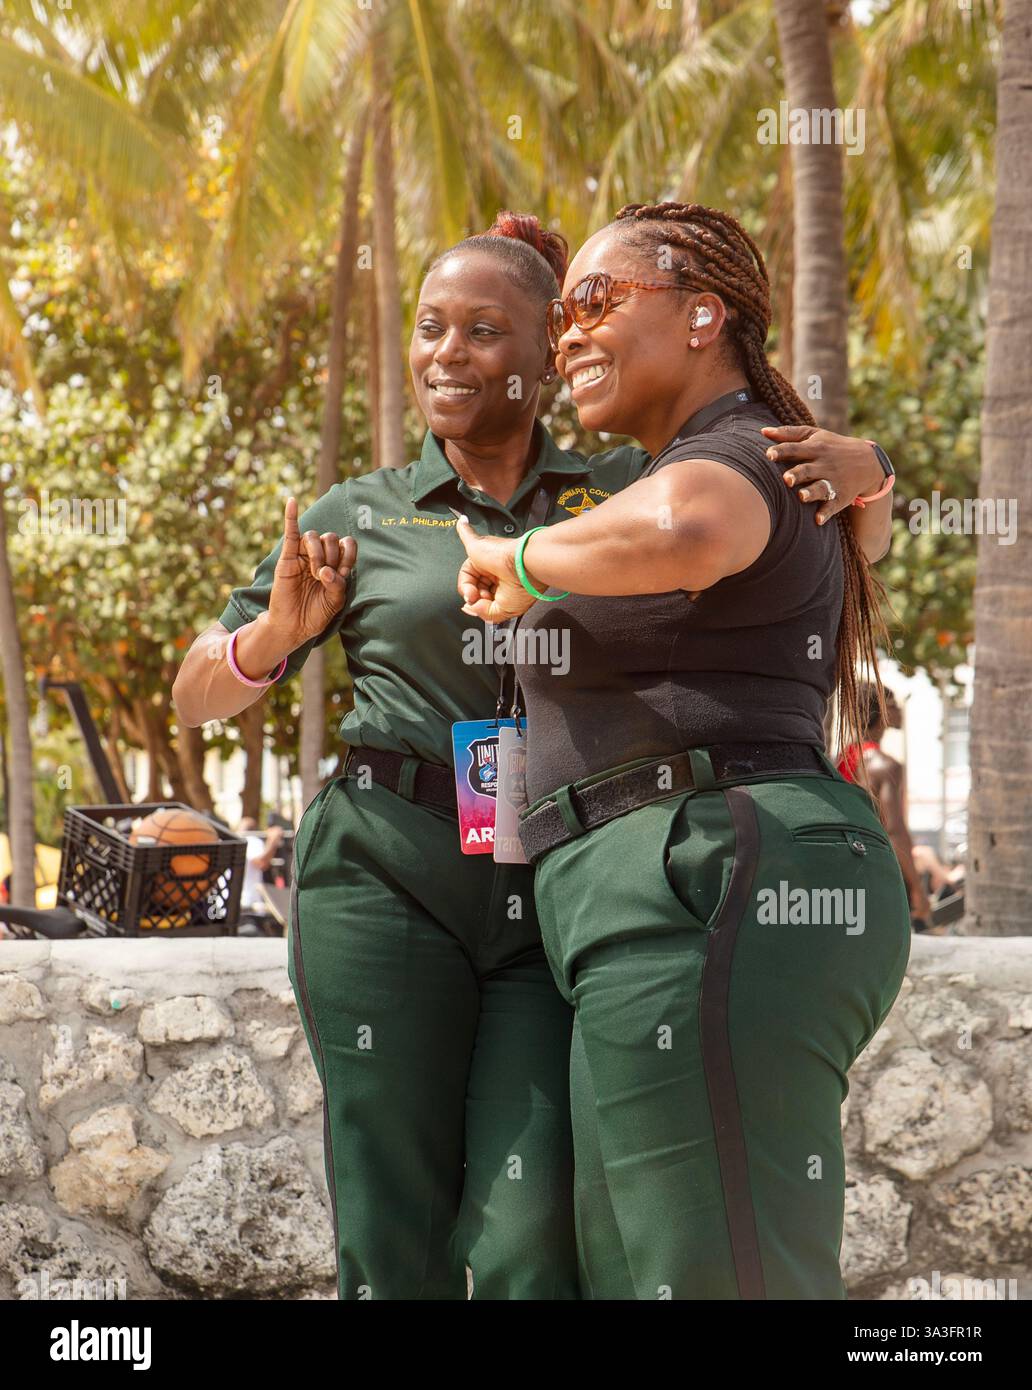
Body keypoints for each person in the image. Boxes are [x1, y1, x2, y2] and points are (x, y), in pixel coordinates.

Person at [172, 210, 892, 1301]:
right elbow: (195, 692)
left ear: (541, 361)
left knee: (533, 1221)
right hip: (388, 868)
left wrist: (872, 469)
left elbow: (772, 531)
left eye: (488, 330)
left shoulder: (626, 480)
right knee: (390, 1200)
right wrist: (276, 635)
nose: (449, 355)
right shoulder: (359, 512)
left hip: (547, 887)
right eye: (429, 328)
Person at [454, 201, 911, 1300]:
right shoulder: (715, 468)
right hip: (646, 896)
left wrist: (525, 561)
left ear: (704, 313)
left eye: (600, 301)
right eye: (560, 313)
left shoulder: (738, 455)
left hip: (705, 868)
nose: (568, 334)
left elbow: (687, 530)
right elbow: (832, 529)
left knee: (712, 1275)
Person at [836, 683, 934, 931]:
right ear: (882, 710)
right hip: (877, 869)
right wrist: (917, 889)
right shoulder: (885, 765)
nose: (900, 711)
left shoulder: (841, 758)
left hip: (844, 867)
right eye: (894, 705)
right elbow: (894, 830)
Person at [237, 817, 285, 935]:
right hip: (248, 908)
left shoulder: (232, 841)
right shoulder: (250, 840)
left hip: (234, 909)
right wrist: (273, 840)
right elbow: (261, 862)